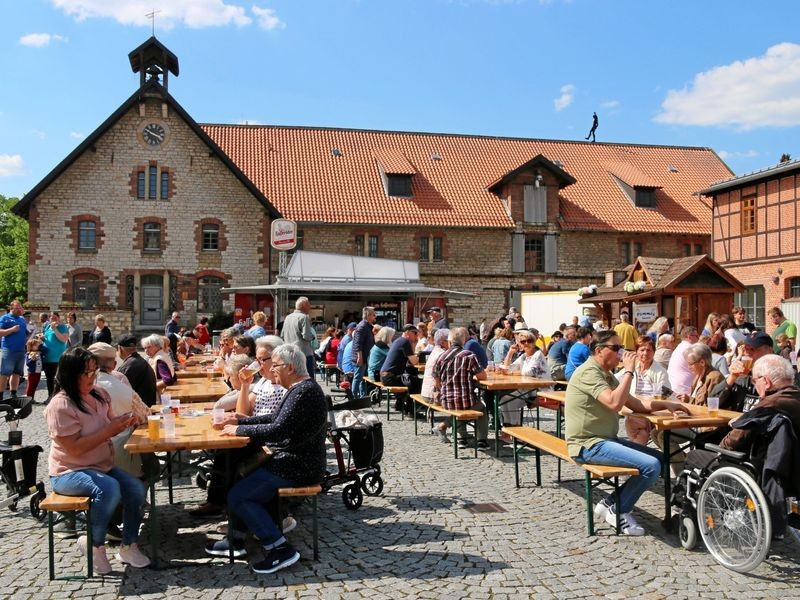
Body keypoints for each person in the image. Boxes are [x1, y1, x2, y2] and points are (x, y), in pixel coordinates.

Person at [206, 344, 327, 574]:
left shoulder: (304, 391)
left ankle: (280, 549)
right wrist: (239, 421)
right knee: (238, 476)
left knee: (239, 496)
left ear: (290, 368)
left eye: (277, 366)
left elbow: (279, 429)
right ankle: (236, 539)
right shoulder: (299, 388)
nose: (273, 371)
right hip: (293, 460)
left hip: (299, 465)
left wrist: (239, 430)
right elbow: (274, 418)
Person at [565, 330, 684, 536]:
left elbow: (636, 404)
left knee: (661, 459)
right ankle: (619, 510)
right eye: (616, 348)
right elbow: (614, 402)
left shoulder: (605, 373)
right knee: (650, 465)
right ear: (599, 350)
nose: (621, 352)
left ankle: (611, 502)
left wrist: (668, 404)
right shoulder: (589, 372)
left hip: (604, 440)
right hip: (587, 444)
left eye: (621, 348)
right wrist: (630, 371)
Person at [45, 347, 149, 574]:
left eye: (95, 372)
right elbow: (75, 448)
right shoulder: (60, 405)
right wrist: (110, 429)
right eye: (87, 373)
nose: (92, 378)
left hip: (101, 465)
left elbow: (109, 425)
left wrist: (123, 422)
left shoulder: (100, 394)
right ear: (70, 374)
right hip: (69, 471)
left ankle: (129, 545)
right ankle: (95, 545)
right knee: (109, 488)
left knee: (136, 489)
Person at [684, 355, 800, 539]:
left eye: (755, 380)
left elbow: (731, 442)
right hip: (790, 471)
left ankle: (697, 515)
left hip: (756, 470)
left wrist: (720, 446)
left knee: (694, 455)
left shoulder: (767, 406)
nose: (754, 384)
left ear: (766, 382)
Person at [434, 327, 488, 449]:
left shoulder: (441, 357)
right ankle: (481, 441)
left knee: (458, 406)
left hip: (446, 400)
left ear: (449, 342)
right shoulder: (468, 356)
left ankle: (461, 438)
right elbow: (482, 376)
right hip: (466, 400)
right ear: (463, 341)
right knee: (482, 409)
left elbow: (436, 382)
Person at [620, 336, 672, 445]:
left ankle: (638, 454)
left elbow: (665, 395)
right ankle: (641, 453)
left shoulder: (660, 371)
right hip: (634, 408)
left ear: (654, 352)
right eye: (642, 350)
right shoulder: (633, 367)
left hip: (653, 410)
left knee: (634, 422)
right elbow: (616, 378)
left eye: (649, 350)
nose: (645, 353)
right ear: (636, 352)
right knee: (639, 430)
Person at [499, 328, 551, 433]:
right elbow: (507, 367)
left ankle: (516, 431)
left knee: (511, 401)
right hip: (527, 389)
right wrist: (510, 353)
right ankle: (508, 429)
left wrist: (512, 373)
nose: (526, 343)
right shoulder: (523, 356)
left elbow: (529, 372)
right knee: (504, 400)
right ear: (520, 344)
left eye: (529, 341)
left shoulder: (538, 355)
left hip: (541, 391)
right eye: (523, 341)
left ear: (534, 342)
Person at [711, 331, 777, 414]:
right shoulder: (741, 378)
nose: (748, 353)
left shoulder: (780, 376)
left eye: (753, 349)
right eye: (746, 349)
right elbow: (714, 403)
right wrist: (731, 378)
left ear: (769, 351)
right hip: (737, 424)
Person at [380, 324, 420, 415]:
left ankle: (400, 404)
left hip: (385, 376)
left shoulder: (398, 341)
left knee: (408, 378)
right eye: (414, 333)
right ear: (407, 333)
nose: (416, 336)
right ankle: (411, 410)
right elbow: (414, 361)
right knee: (415, 382)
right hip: (390, 377)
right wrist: (416, 348)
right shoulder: (404, 342)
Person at [116, 334, 158, 407]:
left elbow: (118, 393)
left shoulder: (129, 365)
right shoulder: (139, 361)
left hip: (141, 412)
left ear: (119, 348)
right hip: (147, 407)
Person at [281, 297, 316, 377]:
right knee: (307, 378)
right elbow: (306, 336)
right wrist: (312, 336)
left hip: (290, 354)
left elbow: (282, 335)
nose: (310, 307)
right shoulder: (304, 317)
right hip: (304, 354)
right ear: (303, 305)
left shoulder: (288, 317)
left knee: (294, 377)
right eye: (308, 305)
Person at [0, 299, 27, 400]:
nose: (19, 309)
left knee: (16, 373)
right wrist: (11, 330)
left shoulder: (22, 319)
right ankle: (0, 395)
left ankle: (13, 394)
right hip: (8, 350)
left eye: (20, 307)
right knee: (4, 373)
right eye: (17, 308)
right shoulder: (5, 318)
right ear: (11, 308)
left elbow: (25, 333)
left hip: (20, 350)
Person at [42, 312, 71, 401]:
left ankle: (61, 397)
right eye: (51, 318)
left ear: (58, 318)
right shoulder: (47, 327)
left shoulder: (63, 327)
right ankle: (50, 396)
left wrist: (55, 329)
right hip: (47, 358)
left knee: (60, 378)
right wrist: (42, 338)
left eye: (55, 317)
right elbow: (46, 339)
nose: (53, 319)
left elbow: (63, 340)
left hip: (58, 358)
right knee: (49, 379)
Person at [351, 306, 377, 400]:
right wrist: (359, 357)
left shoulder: (368, 326)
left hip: (365, 356)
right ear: (368, 315)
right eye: (374, 314)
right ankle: (353, 398)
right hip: (360, 356)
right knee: (358, 377)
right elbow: (358, 343)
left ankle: (363, 397)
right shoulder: (362, 326)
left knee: (363, 378)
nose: (375, 316)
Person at [667, 326, 700, 395]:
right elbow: (701, 370)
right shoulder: (690, 349)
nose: (698, 338)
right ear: (689, 336)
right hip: (684, 390)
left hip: (674, 387)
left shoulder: (680, 347)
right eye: (696, 336)